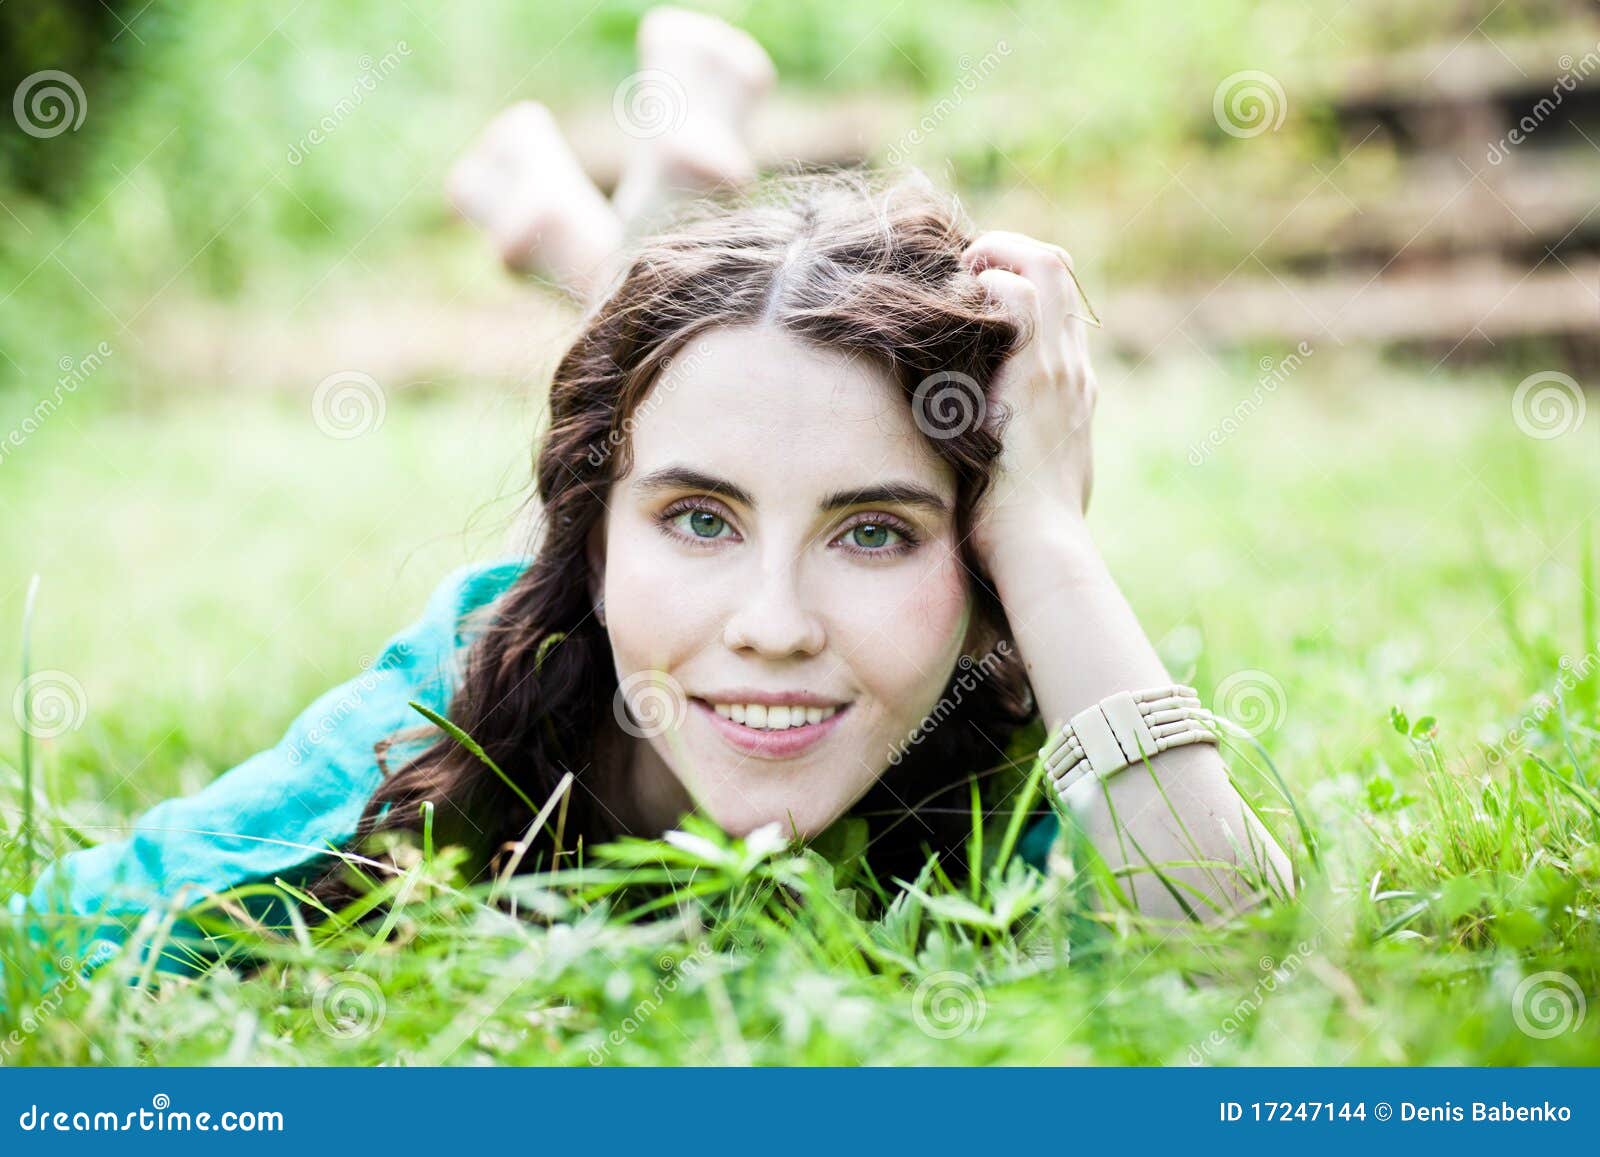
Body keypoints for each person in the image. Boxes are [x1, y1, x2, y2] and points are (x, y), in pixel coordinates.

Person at [6, 9, 1292, 988]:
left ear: (980, 569)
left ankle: (616, 230)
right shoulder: (432, 732)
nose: (773, 624)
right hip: (557, 653)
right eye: (697, 518)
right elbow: (59, 941)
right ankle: (636, 228)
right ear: (597, 540)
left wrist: (1048, 537)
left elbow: (1242, 958)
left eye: (875, 530)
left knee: (704, 400)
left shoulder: (986, 716)